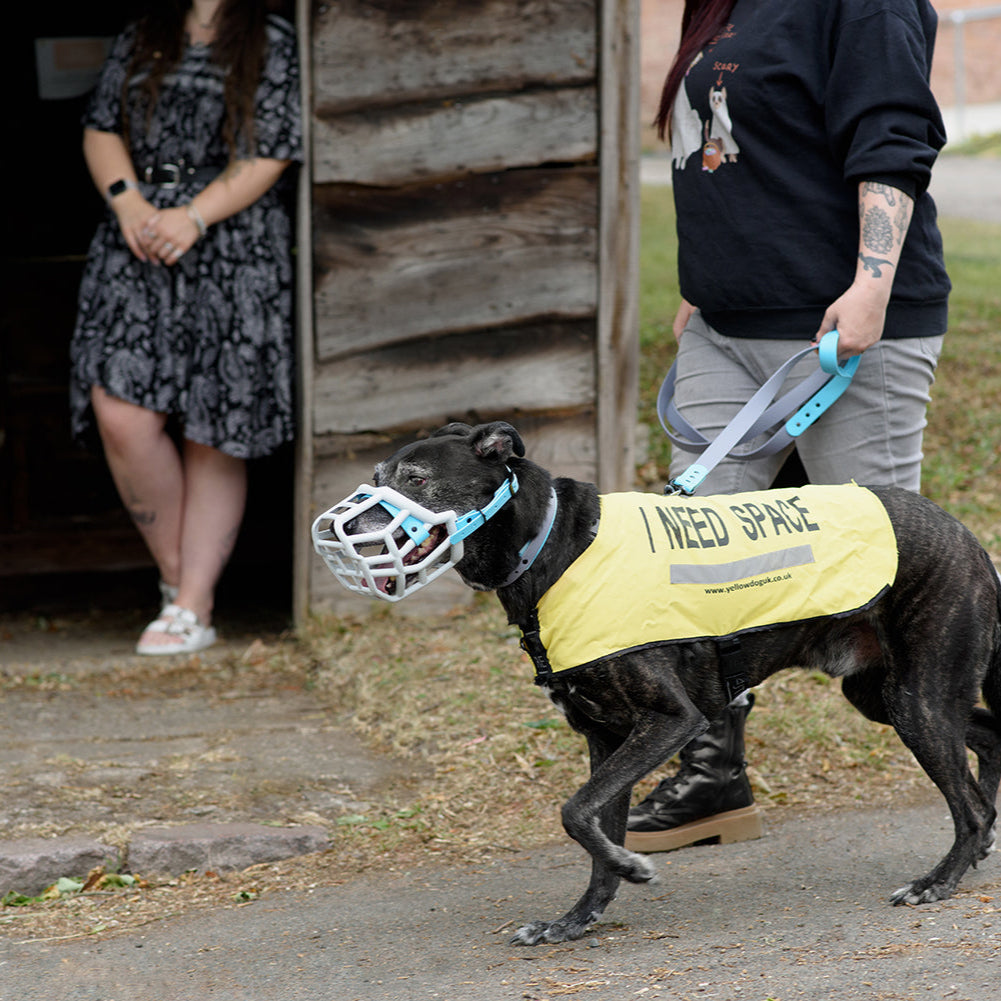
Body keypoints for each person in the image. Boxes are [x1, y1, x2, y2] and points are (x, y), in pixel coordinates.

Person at [626, 0, 951, 852]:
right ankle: (710, 775)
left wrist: (872, 284)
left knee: (887, 583)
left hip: (842, 329)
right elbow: (726, 160)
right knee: (691, 559)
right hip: (725, 332)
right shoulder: (723, 3)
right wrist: (708, 286)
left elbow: (892, 132)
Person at [69, 0, 303, 655]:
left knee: (215, 421)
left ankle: (193, 604)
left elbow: (272, 149)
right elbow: (100, 125)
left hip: (232, 244)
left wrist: (194, 216)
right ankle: (178, 584)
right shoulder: (145, 28)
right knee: (119, 408)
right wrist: (130, 204)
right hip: (139, 238)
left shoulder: (273, 36)